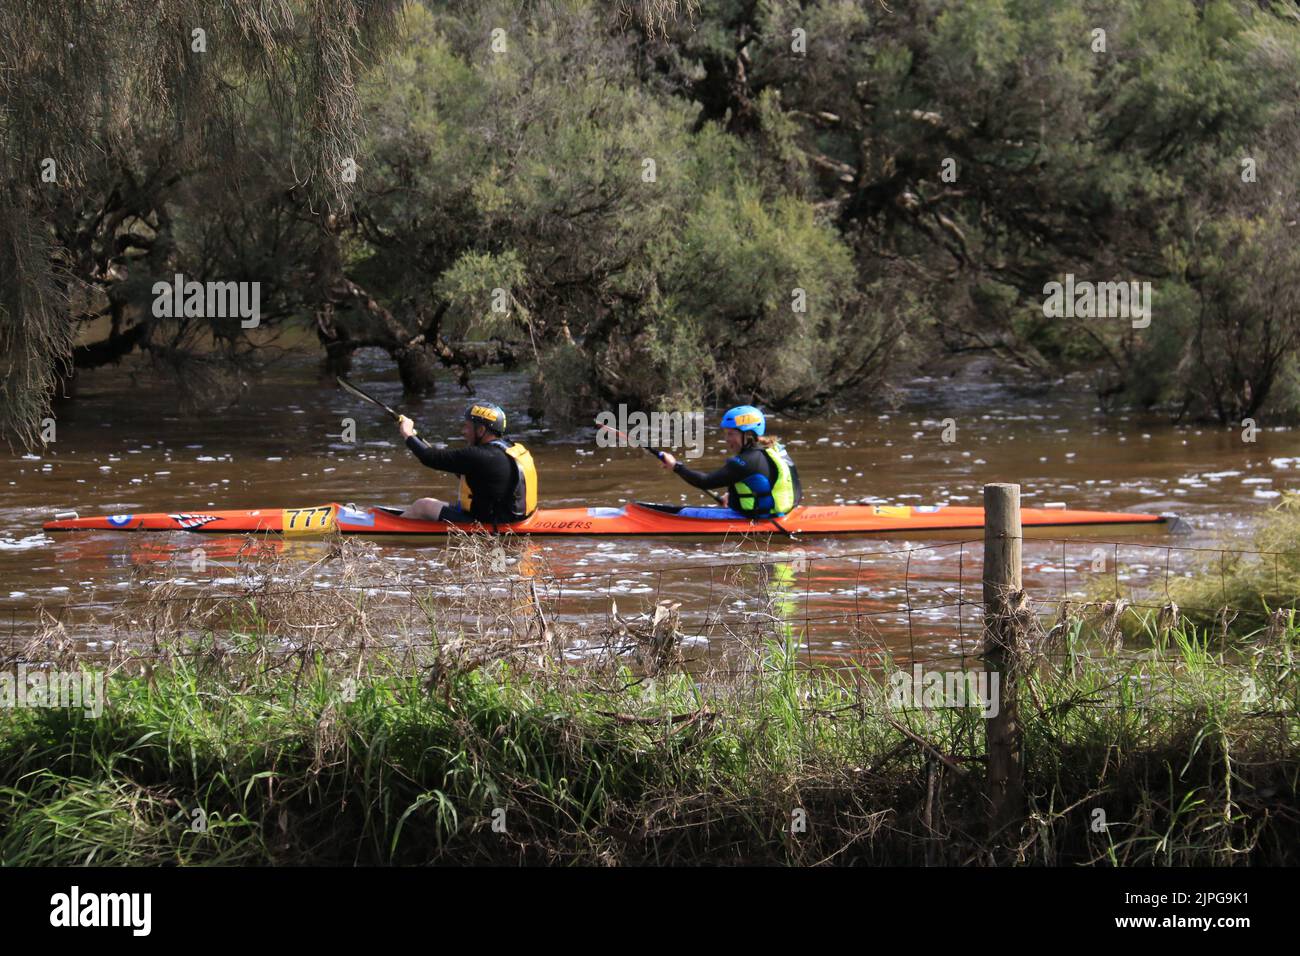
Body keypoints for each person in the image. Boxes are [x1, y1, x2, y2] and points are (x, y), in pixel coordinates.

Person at [397, 402, 537, 525]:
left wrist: (408, 434)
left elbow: (430, 457)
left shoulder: (478, 455)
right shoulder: (507, 448)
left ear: (481, 430)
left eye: (467, 427)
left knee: (422, 506)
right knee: (430, 505)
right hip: (515, 518)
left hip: (492, 525)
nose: (464, 431)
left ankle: (390, 531)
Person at [658, 405, 801, 517]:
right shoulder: (775, 449)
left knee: (685, 513)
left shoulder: (745, 461)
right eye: (726, 434)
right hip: (783, 514)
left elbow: (705, 481)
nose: (726, 439)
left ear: (748, 434)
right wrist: (733, 496)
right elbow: (770, 482)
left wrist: (676, 466)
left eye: (731, 434)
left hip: (757, 520)